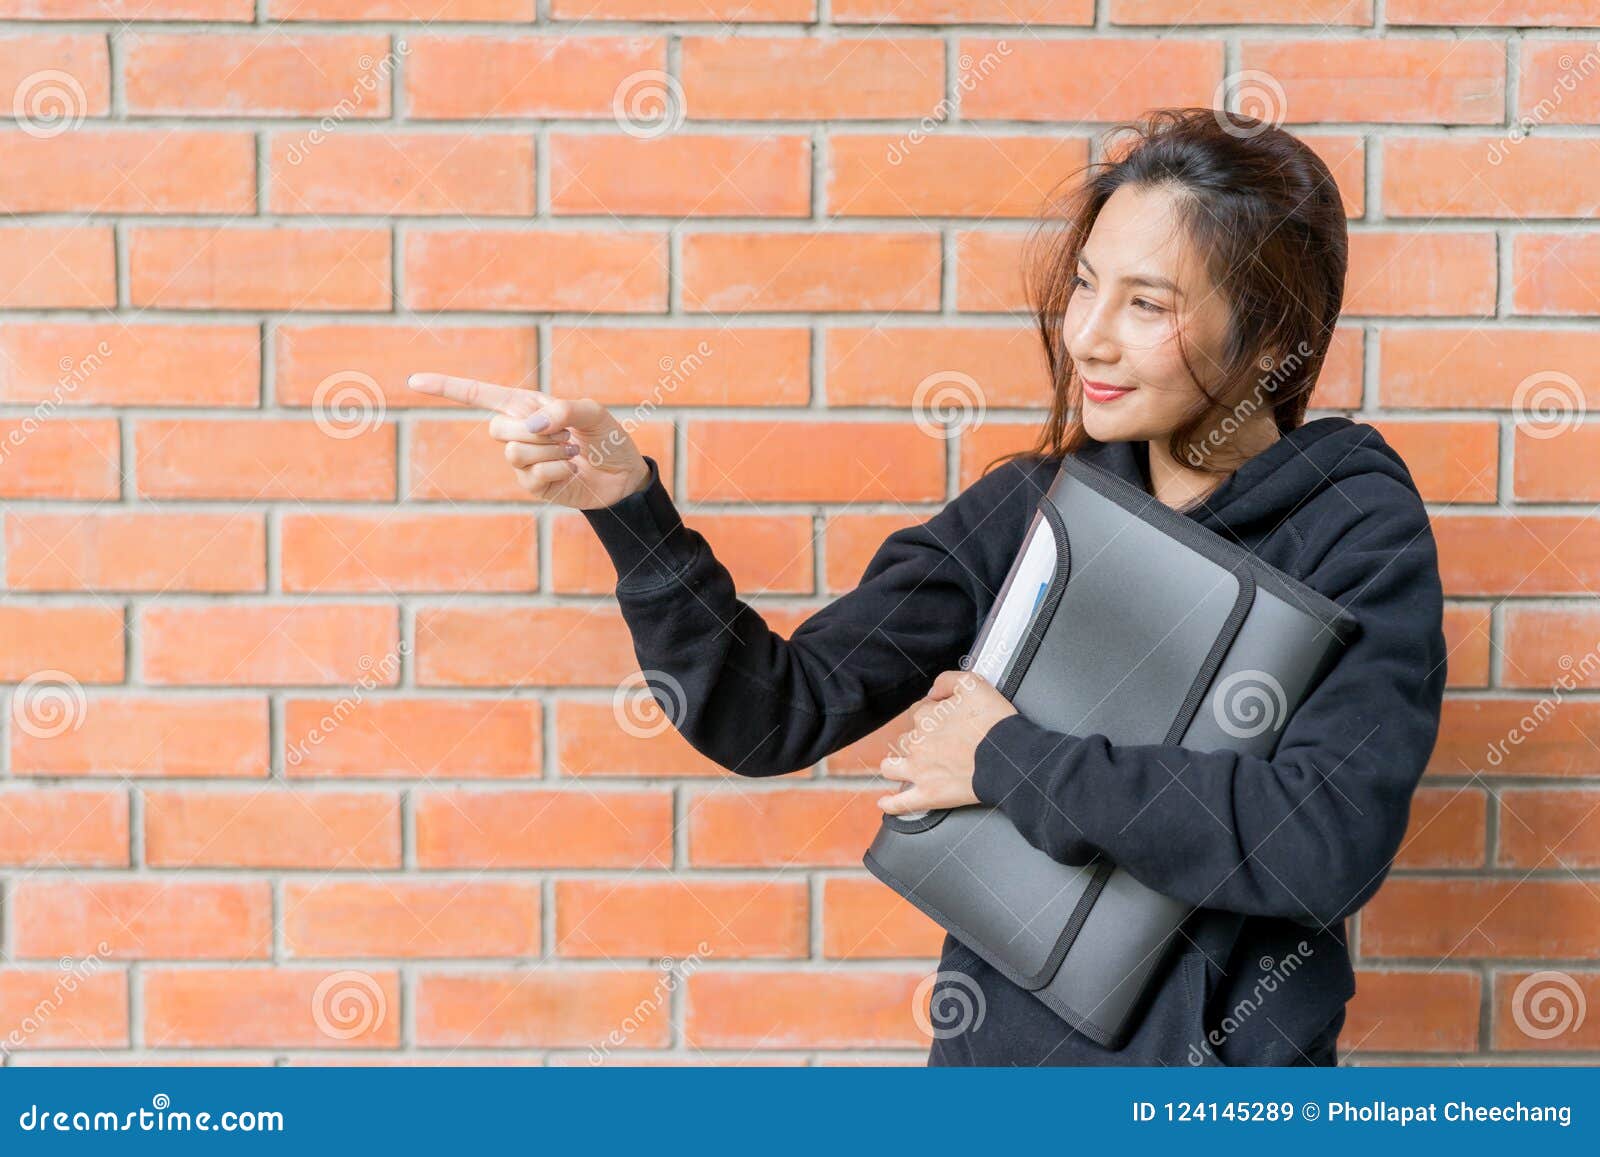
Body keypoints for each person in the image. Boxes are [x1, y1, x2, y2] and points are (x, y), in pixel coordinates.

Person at [407, 107, 1448, 1067]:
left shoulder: (1355, 530)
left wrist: (1003, 756)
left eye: (1147, 304)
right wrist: (630, 506)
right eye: (1086, 284)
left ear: (1271, 339)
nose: (1088, 334)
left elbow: (1323, 842)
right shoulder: (1033, 511)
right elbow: (775, 711)